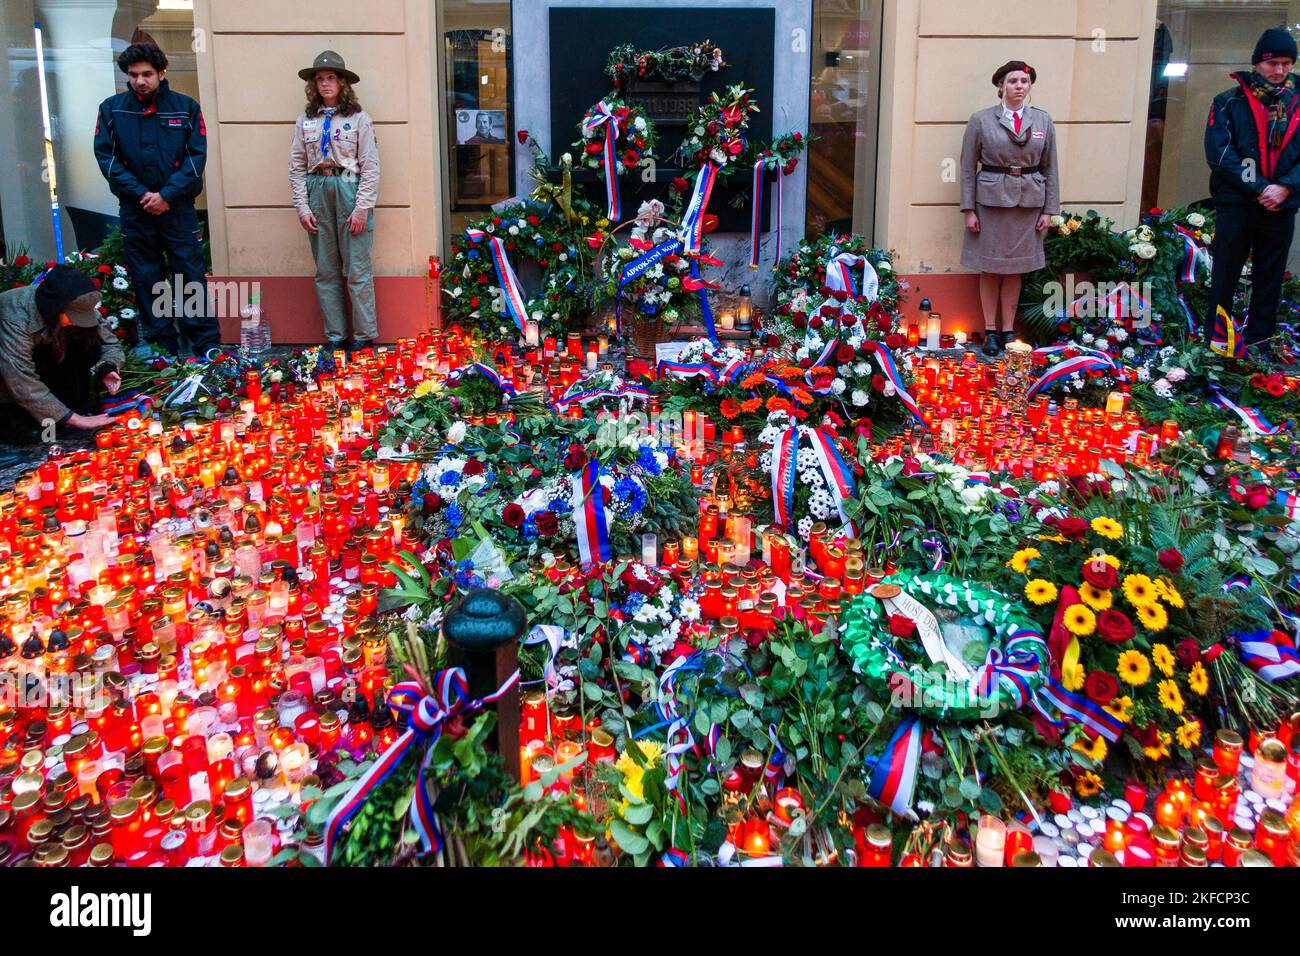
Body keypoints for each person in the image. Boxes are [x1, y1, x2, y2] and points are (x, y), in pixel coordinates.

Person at [94, 42, 218, 357]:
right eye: (133, 75)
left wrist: (166, 195)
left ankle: (205, 346)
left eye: (147, 74)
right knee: (149, 279)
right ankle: (164, 348)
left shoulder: (186, 107)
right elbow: (107, 159)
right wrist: (142, 195)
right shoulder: (111, 109)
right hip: (136, 212)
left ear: (161, 73)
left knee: (189, 275)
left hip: (178, 210)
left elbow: (196, 158)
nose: (140, 81)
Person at [1205, 27, 1300, 356]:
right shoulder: (1228, 102)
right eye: (1273, 63)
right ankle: (1215, 346)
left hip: (1282, 206)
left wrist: (1285, 187)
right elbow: (1220, 154)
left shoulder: (1299, 103)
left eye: (1287, 63)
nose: (1279, 70)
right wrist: (1262, 187)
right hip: (1237, 205)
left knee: (1269, 279)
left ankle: (1259, 347)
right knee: (1225, 276)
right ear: (1258, 63)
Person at [959, 60, 1060, 356]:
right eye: (1013, 81)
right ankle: (990, 330)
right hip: (990, 203)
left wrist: (1048, 210)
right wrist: (969, 209)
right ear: (1000, 87)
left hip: (1029, 204)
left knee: (1016, 270)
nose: (1019, 86)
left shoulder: (1042, 121)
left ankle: (1007, 330)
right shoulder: (981, 120)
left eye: (1024, 82)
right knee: (990, 267)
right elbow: (967, 168)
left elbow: (1051, 167)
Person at [289, 51, 381, 352]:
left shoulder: (358, 119)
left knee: (357, 269)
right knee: (326, 270)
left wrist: (362, 207)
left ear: (342, 83)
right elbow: (297, 165)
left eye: (331, 78)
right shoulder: (306, 120)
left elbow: (370, 166)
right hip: (318, 189)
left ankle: (364, 338)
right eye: (320, 79)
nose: (325, 84)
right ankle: (336, 338)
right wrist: (303, 206)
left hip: (349, 188)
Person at [0, 266, 125, 444]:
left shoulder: (80, 303)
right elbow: (20, 378)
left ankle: (68, 409)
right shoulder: (16, 318)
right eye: (73, 316)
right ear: (54, 308)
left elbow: (110, 343)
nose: (78, 320)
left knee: (85, 338)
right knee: (26, 435)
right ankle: (20, 419)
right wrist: (76, 419)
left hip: (46, 351)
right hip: (10, 374)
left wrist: (108, 367)